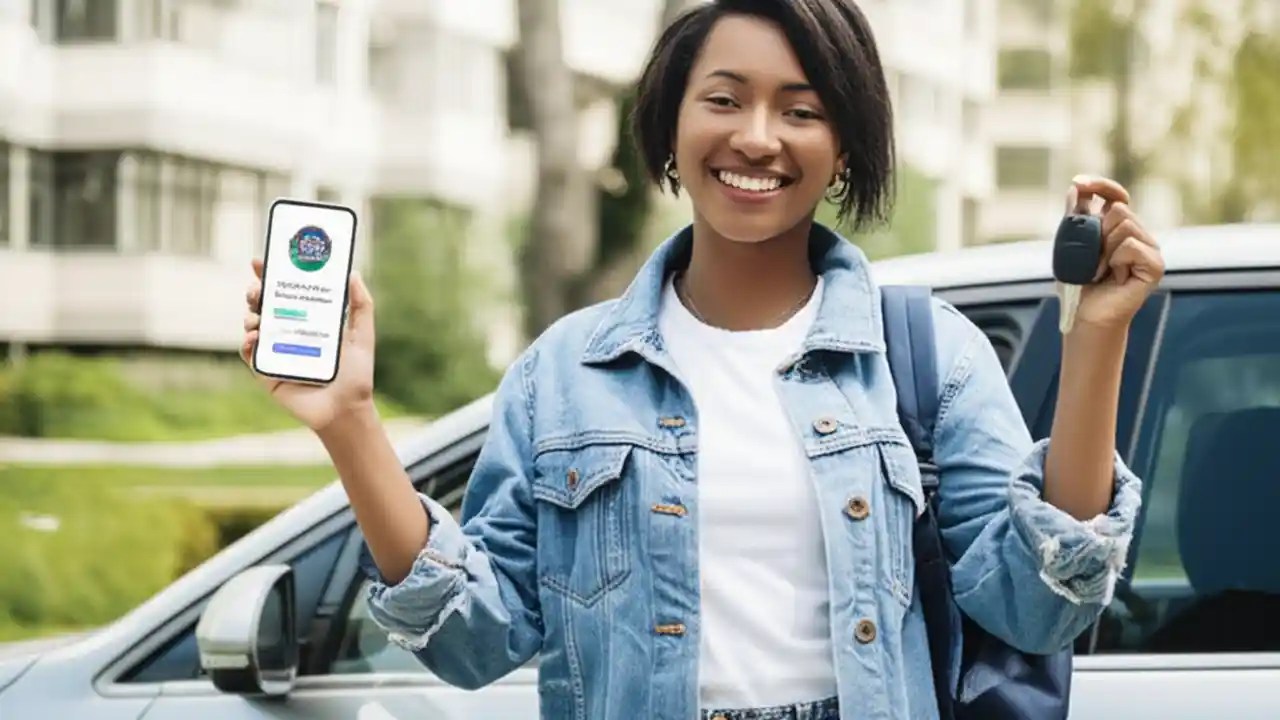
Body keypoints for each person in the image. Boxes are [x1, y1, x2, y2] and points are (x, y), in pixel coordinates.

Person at [240, 1, 1163, 718]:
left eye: (801, 110)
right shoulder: (565, 373)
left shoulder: (925, 356)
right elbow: (478, 641)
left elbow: (1037, 607)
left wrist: (1098, 336)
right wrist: (350, 423)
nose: (757, 136)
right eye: (723, 99)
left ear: (841, 149)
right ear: (672, 131)